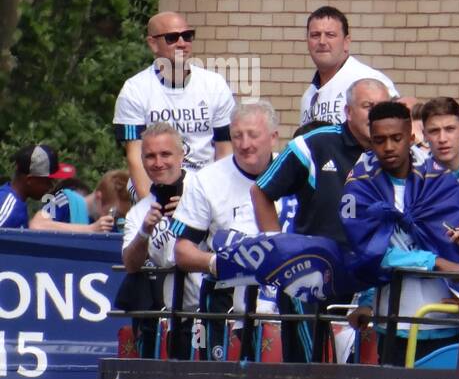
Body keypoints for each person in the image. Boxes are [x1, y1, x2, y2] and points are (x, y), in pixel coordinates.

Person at [253, 78, 389, 360]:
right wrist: (279, 247)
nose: (375, 113)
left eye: (382, 107)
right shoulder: (313, 144)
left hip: (371, 273)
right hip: (313, 270)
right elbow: (261, 191)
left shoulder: (393, 152)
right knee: (308, 367)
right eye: (367, 106)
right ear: (348, 111)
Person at [341, 101, 459, 365]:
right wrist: (433, 262)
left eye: (396, 138)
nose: (388, 147)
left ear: (411, 137)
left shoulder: (441, 181)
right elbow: (369, 253)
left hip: (445, 315)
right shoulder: (359, 189)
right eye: (379, 140)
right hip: (395, 318)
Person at [172, 102, 287, 347]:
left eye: (253, 135)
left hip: (289, 304)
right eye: (237, 136)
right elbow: (182, 250)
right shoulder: (207, 180)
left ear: (274, 137)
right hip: (226, 307)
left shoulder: (295, 171)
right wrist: (215, 262)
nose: (245, 144)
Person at [114, 11, 235, 198]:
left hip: (204, 187)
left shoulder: (215, 85)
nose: (182, 43)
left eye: (187, 36)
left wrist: (219, 198)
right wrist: (150, 207)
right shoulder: (134, 89)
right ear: (153, 43)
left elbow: (225, 150)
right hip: (155, 184)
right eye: (172, 38)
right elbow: (135, 157)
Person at [120, 124, 198, 355]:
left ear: (181, 154)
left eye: (165, 154)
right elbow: (130, 264)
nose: (158, 162)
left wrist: (191, 215)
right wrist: (145, 231)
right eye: (150, 156)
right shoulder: (139, 211)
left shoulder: (203, 188)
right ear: (143, 161)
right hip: (172, 314)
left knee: (211, 377)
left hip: (213, 309)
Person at [299, 6, 398, 126]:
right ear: (307, 42)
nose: (322, 42)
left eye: (330, 35)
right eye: (315, 35)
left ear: (346, 42)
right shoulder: (308, 96)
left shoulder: (370, 81)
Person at [0, 146, 78, 228]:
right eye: (47, 181)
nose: (50, 186)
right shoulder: (9, 208)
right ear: (29, 180)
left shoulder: (14, 202)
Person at [32, 170, 130, 234]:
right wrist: (91, 229)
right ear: (98, 198)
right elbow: (37, 225)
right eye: (115, 214)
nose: (117, 220)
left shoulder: (112, 225)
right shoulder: (64, 201)